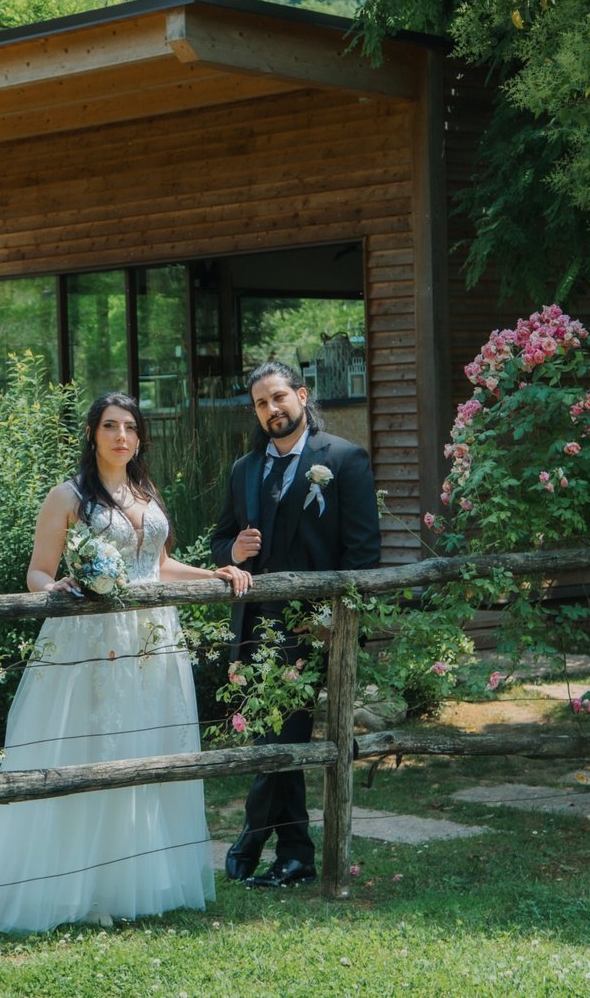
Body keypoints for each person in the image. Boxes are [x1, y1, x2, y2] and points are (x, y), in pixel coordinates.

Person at [0, 391, 251, 932]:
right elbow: (37, 572)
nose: (121, 437)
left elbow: (158, 567)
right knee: (93, 748)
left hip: (154, 638)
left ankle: (135, 880)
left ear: (139, 437)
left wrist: (217, 573)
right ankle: (81, 887)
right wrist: (62, 585)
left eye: (130, 427)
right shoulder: (67, 497)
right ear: (93, 435)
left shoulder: (146, 491)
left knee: (148, 747)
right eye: (110, 426)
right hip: (93, 638)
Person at [211, 359, 380, 888]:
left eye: (279, 397)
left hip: (314, 629)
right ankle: (297, 854)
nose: (272, 410)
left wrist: (335, 623)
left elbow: (363, 553)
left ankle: (252, 838)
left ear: (302, 397)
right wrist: (233, 550)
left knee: (281, 737)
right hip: (255, 628)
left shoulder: (345, 460)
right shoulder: (244, 470)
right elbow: (220, 543)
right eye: (261, 403)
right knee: (274, 738)